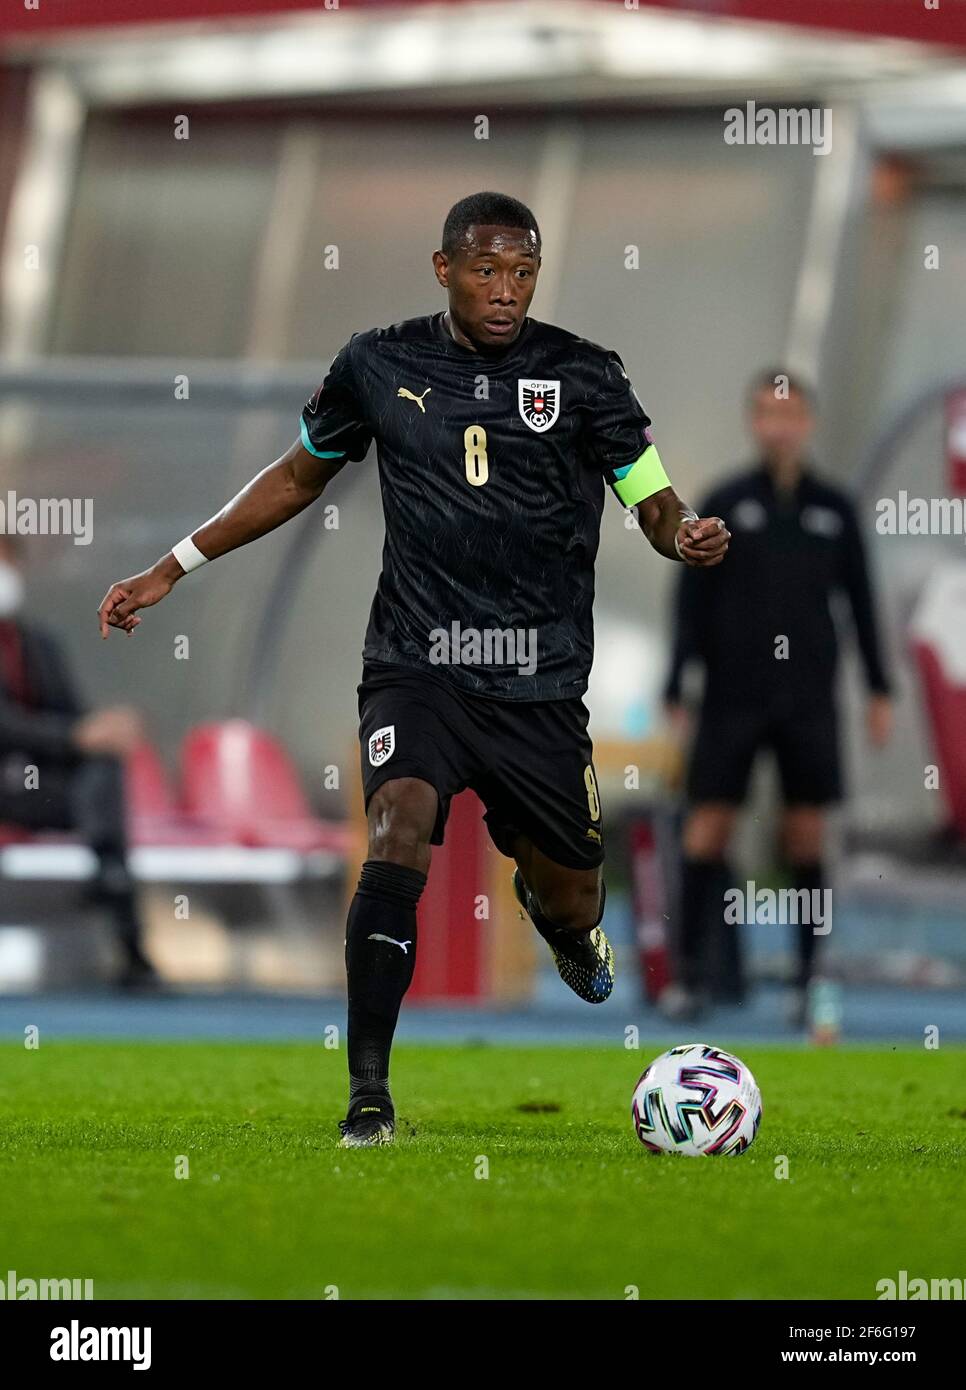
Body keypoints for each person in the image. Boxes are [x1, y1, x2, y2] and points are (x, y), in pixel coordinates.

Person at [97, 190, 730, 1145]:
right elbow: (297, 475)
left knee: (574, 895)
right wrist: (172, 566)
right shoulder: (378, 363)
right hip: (416, 663)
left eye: (522, 272)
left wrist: (678, 532)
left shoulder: (582, 373)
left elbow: (642, 482)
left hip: (539, 681)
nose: (506, 290)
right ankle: (368, 1097)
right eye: (486, 270)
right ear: (444, 270)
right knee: (398, 827)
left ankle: (557, 920)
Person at [663, 369, 893, 1024]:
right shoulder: (725, 502)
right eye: (766, 413)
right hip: (733, 695)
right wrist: (676, 681)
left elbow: (861, 601)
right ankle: (687, 974)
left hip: (809, 699)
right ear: (753, 422)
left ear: (808, 423)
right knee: (707, 828)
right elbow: (691, 599)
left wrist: (879, 686)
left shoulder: (834, 508)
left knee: (806, 834)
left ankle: (809, 978)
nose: (778, 426)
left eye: (789, 414)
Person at [0, 533, 158, 988]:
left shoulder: (37, 643)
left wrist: (104, 730)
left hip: (39, 789)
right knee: (93, 762)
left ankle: (117, 901)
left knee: (103, 767)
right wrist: (76, 735)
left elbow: (73, 716)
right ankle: (112, 877)